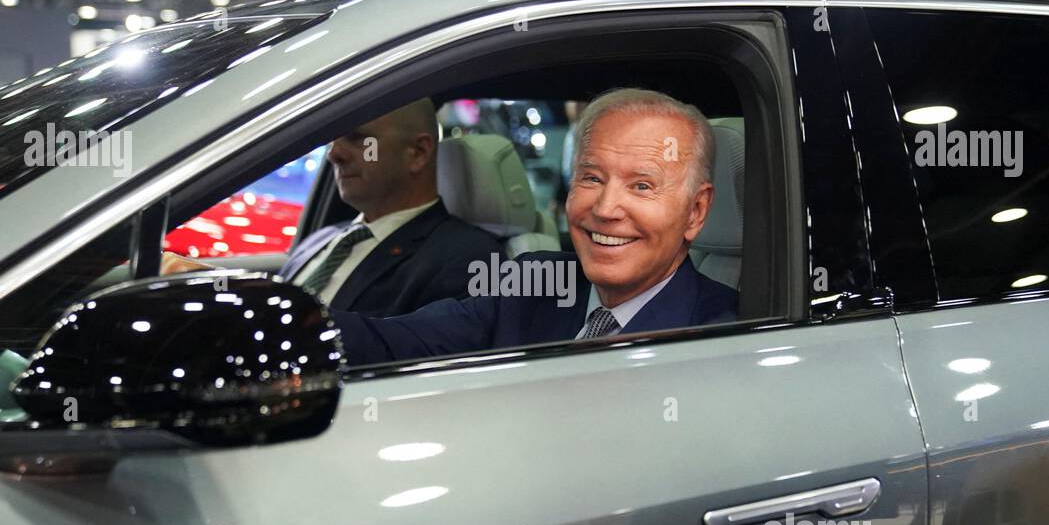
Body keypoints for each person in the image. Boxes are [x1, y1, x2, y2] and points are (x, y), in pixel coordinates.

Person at [330, 88, 737, 365]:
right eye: (591, 178)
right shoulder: (536, 279)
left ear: (695, 212)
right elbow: (395, 341)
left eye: (642, 186)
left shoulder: (728, 338)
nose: (606, 208)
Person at [164, 98, 499, 316]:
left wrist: (241, 303)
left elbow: (397, 359)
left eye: (358, 139)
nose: (334, 154)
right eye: (335, 139)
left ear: (418, 154)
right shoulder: (323, 238)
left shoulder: (464, 259)